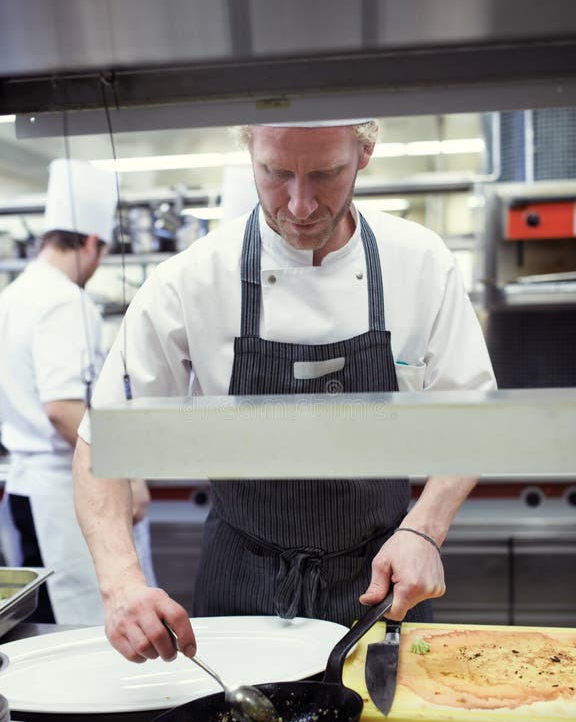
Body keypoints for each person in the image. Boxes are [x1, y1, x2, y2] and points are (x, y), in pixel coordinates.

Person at [73, 120, 496, 662]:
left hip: (383, 580)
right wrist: (122, 583)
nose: (298, 205)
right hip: (240, 585)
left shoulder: (419, 263)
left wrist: (425, 529)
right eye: (275, 173)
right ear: (250, 152)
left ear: (364, 153)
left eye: (325, 174)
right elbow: (100, 443)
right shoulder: (191, 280)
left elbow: (473, 412)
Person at [0, 158, 155, 624]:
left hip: (27, 493)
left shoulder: (14, 294)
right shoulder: (64, 300)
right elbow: (63, 408)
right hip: (62, 494)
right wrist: (126, 474)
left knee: (42, 621)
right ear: (90, 243)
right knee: (85, 626)